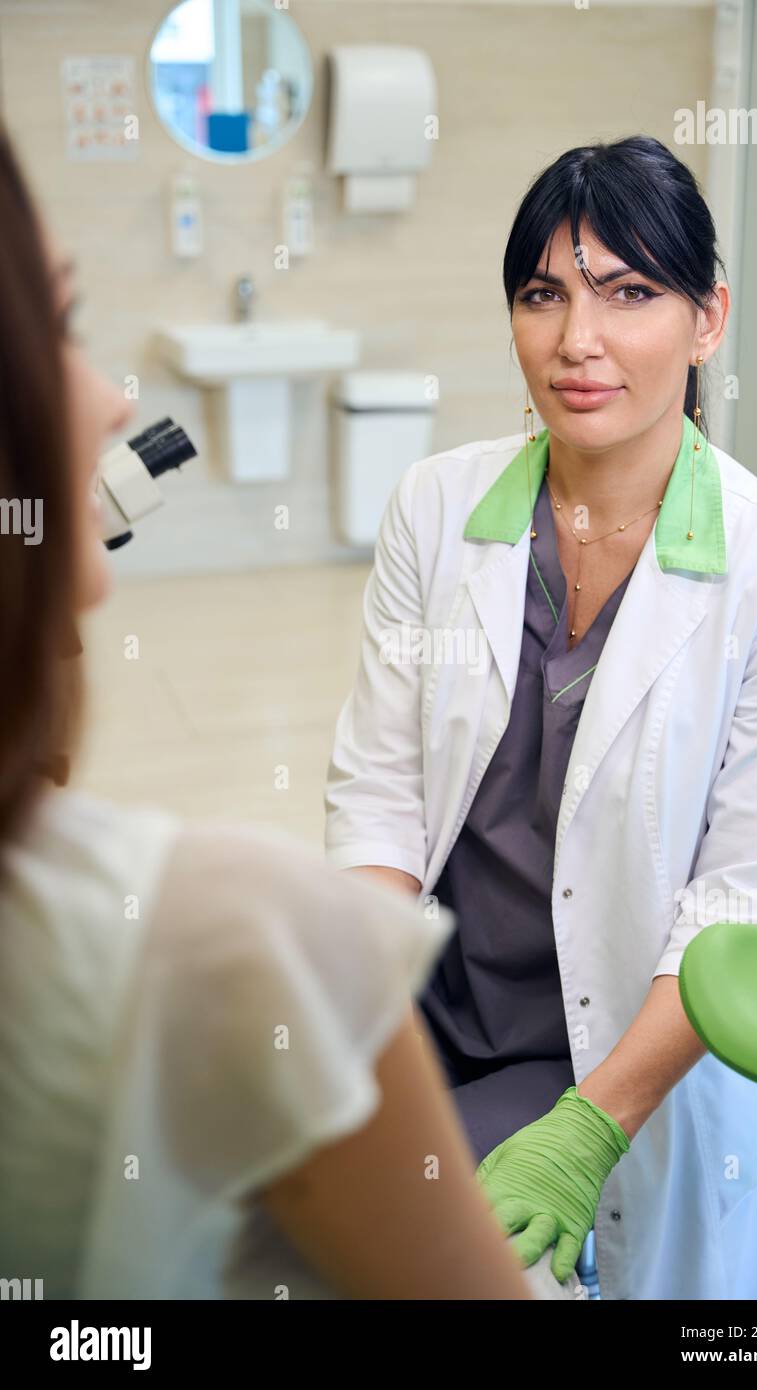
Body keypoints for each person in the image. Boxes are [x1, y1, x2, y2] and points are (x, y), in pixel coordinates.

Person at [0, 124, 540, 1302]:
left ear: (702, 323)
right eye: (52, 327)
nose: (104, 395)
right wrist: (350, 990)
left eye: (626, 292)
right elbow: (381, 770)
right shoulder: (230, 943)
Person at [325, 136, 757, 1299]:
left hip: (621, 1054)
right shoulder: (438, 505)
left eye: (629, 293)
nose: (578, 340)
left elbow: (741, 906)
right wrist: (350, 1016)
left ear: (705, 317)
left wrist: (587, 1130)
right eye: (543, 294)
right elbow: (377, 793)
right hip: (438, 1011)